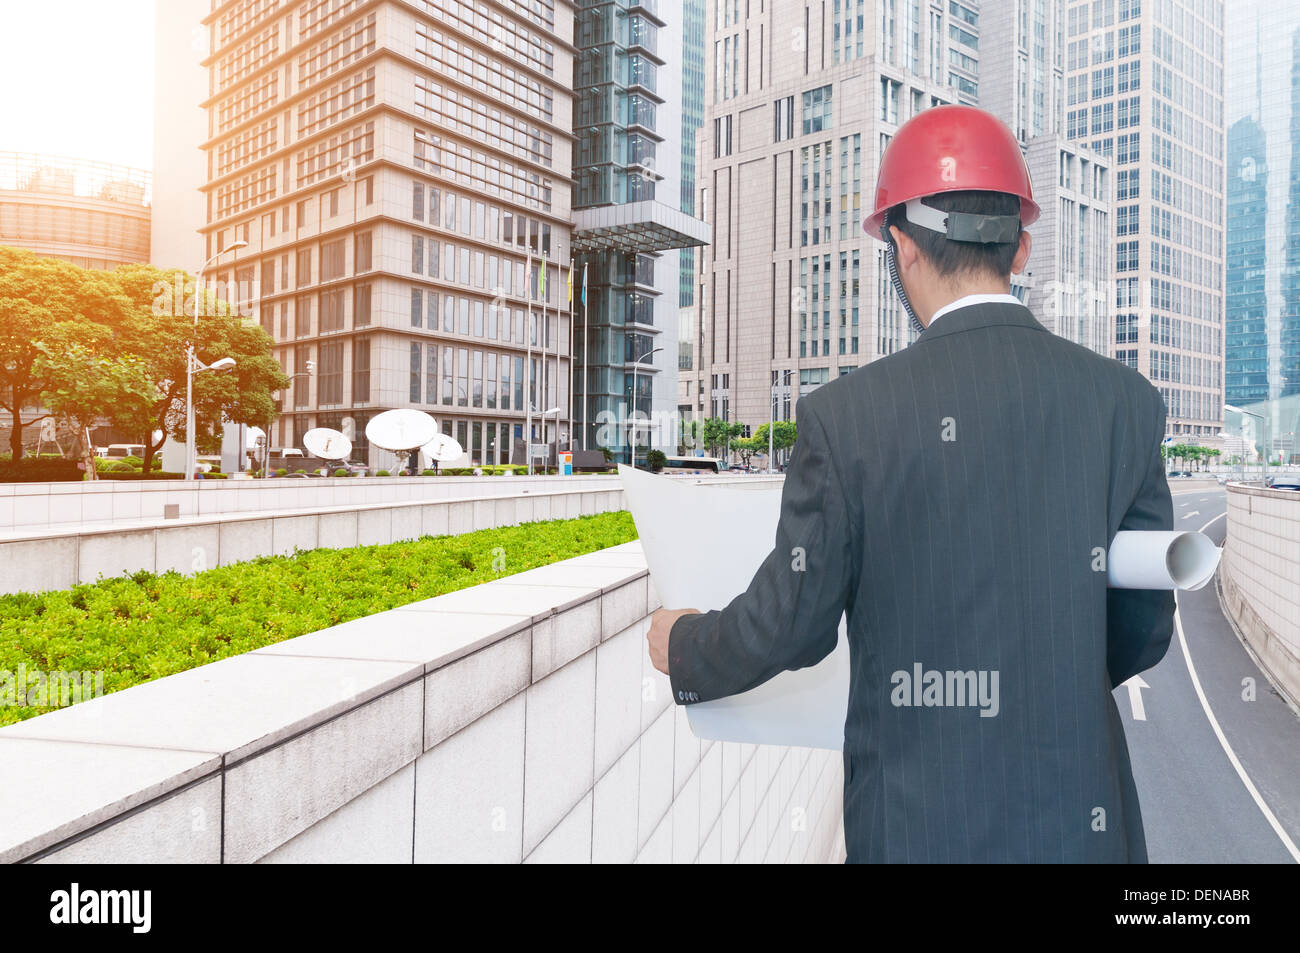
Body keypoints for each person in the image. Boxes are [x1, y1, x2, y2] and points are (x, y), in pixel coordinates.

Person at [646, 105, 1175, 863]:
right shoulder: (1124, 403)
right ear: (1020, 249)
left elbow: (791, 622)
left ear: (900, 246)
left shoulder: (847, 419)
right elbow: (1145, 624)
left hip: (918, 832)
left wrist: (686, 645)